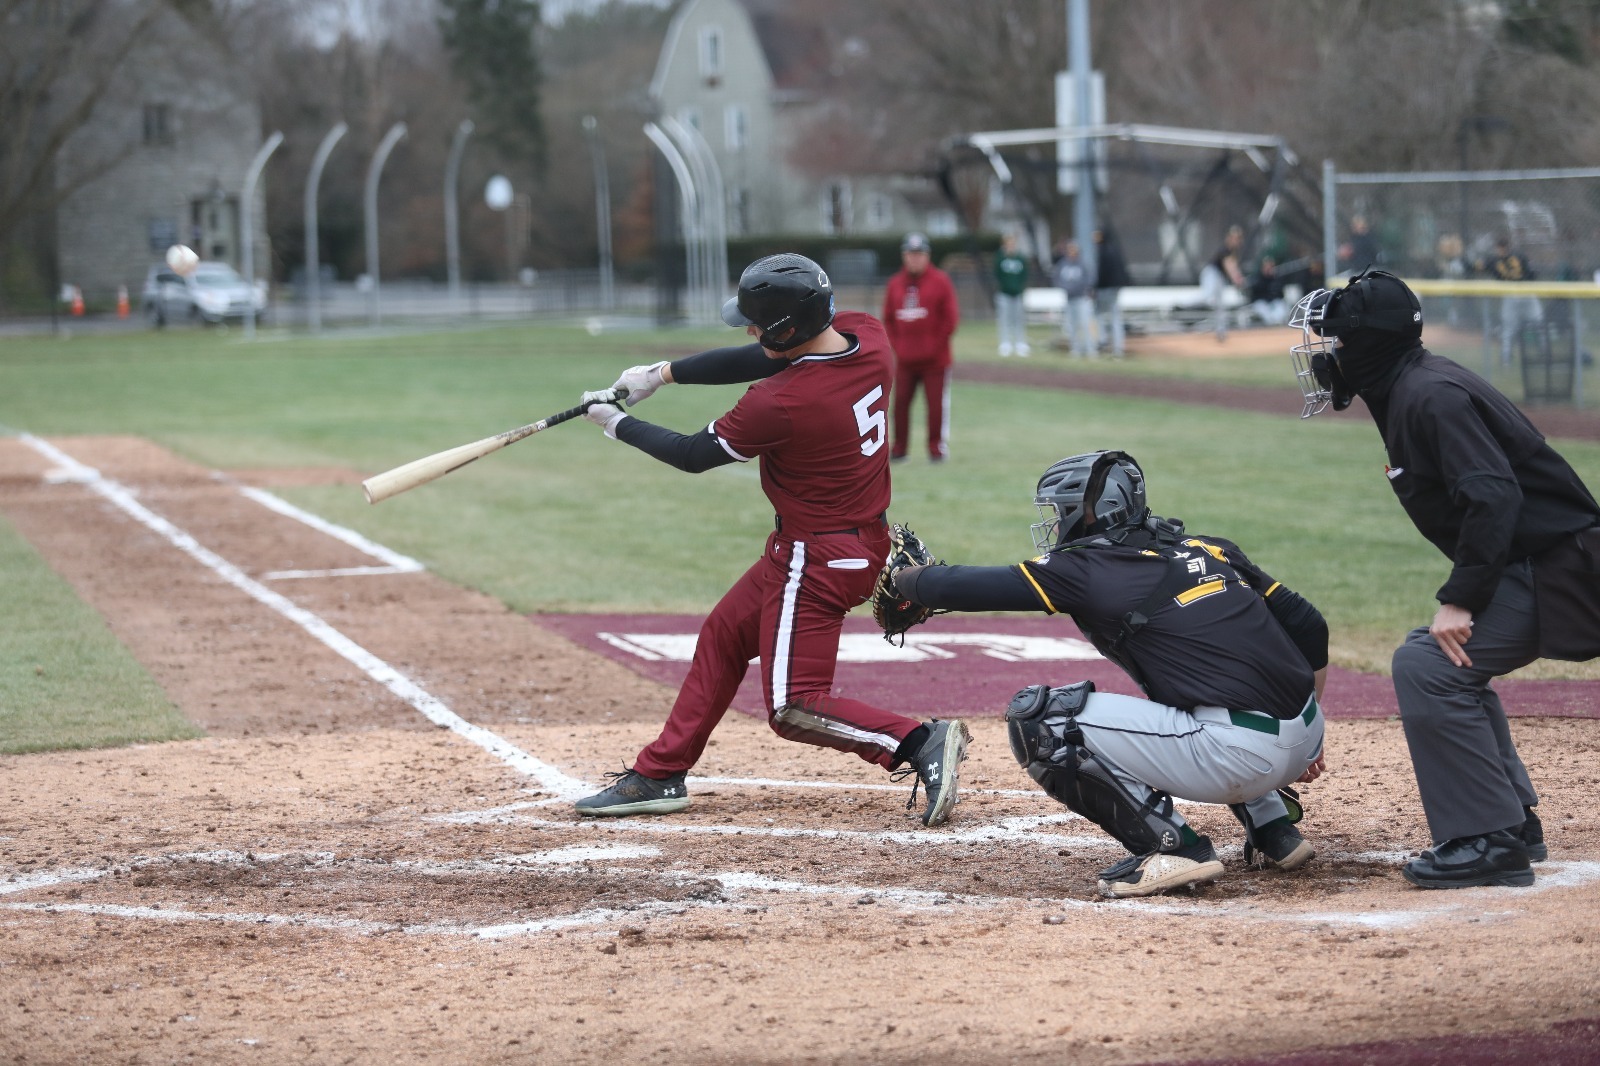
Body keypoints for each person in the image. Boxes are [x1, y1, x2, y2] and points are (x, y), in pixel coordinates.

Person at [573, 253, 970, 826]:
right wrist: (661, 374)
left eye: (759, 324)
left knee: (794, 706)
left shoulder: (782, 402)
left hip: (817, 557)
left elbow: (694, 454)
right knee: (724, 636)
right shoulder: (867, 335)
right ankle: (660, 772)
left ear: (787, 330)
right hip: (848, 541)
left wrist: (615, 423)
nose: (750, 332)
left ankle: (915, 741)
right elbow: (762, 355)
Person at [884, 451, 1329, 898]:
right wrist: (1305, 731)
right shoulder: (1208, 547)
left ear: (1091, 511)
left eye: (1061, 510)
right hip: (1307, 739)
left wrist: (904, 577)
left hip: (1238, 757)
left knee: (1040, 720)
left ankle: (1175, 848)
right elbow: (1310, 625)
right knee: (1206, 680)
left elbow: (968, 587)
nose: (1055, 523)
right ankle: (1274, 828)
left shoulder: (1086, 569)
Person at [1290, 268, 1600, 888]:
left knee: (1429, 667)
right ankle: (1510, 823)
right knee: (1439, 661)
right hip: (1545, 563)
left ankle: (1488, 840)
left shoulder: (1429, 395)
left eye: (1339, 340)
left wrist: (1461, 598)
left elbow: (1494, 497)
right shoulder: (1412, 385)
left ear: (1369, 346)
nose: (1329, 353)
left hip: (1563, 569)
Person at [882, 232, 960, 462]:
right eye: (910, 254)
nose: (914, 258)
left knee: (936, 407)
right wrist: (898, 346)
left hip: (935, 360)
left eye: (919, 254)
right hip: (905, 360)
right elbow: (888, 319)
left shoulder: (940, 281)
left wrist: (933, 346)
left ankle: (936, 449)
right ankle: (900, 449)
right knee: (900, 405)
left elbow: (950, 319)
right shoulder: (895, 283)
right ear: (904, 256)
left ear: (927, 256)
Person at [1484, 236, 1542, 367]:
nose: (1500, 250)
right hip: (1524, 292)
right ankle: (1507, 358)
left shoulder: (1496, 260)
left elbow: (1484, 267)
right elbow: (1533, 273)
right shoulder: (1519, 255)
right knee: (1530, 325)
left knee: (1534, 325)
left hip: (1518, 294)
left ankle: (1508, 359)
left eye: (1500, 248)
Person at [1199, 225, 1246, 341]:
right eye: (1234, 238)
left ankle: (1221, 331)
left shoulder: (1234, 252)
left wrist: (1238, 278)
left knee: (1220, 305)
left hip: (1219, 277)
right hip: (1211, 273)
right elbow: (1229, 266)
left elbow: (1234, 267)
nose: (1236, 241)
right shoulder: (1225, 249)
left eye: (1238, 238)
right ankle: (1181, 305)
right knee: (1207, 296)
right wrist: (1237, 279)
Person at [1052, 238, 1095, 357]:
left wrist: (1079, 288)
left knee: (1085, 324)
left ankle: (1090, 349)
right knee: (1072, 325)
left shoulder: (1082, 264)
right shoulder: (1063, 264)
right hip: (1069, 298)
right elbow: (1057, 278)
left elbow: (1088, 280)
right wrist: (1066, 288)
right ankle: (1075, 349)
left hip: (1081, 298)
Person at [1093, 227, 1131, 357]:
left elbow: (1102, 273)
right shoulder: (1114, 249)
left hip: (1106, 288)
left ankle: (1102, 340)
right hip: (1115, 287)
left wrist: (1096, 287)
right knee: (1115, 316)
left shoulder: (1103, 251)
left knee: (1097, 314)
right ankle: (1118, 347)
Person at [993, 233, 1031, 358]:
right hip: (1004, 294)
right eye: (1008, 244)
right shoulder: (1000, 258)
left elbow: (1024, 274)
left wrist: (1018, 287)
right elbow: (997, 273)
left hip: (1017, 294)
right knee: (1004, 319)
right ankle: (1005, 344)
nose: (1010, 246)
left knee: (1018, 320)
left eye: (1012, 244)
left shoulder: (1020, 258)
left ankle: (1020, 343)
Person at [1247, 255, 1288, 325]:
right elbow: (1255, 294)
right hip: (1262, 303)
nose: (1269, 268)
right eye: (1267, 266)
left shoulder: (1277, 278)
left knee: (1280, 308)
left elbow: (1281, 294)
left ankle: (1277, 326)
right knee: (1262, 309)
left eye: (1271, 266)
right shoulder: (1257, 278)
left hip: (1274, 302)